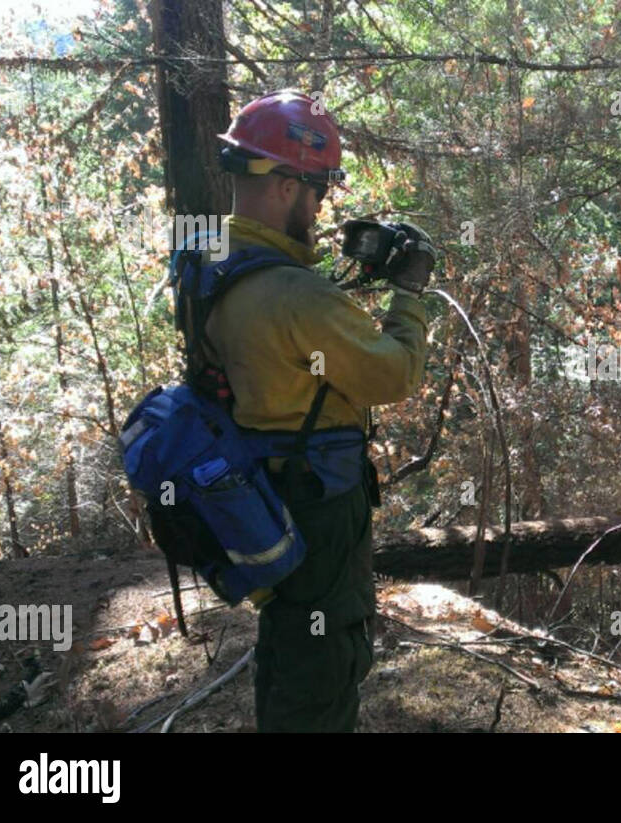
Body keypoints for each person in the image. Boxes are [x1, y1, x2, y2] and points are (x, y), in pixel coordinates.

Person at [207, 89, 428, 731]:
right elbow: (393, 374)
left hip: (258, 490)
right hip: (317, 505)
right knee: (328, 651)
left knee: (289, 636)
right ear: (284, 185)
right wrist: (408, 295)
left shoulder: (211, 261)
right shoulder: (294, 293)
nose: (321, 206)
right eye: (318, 191)